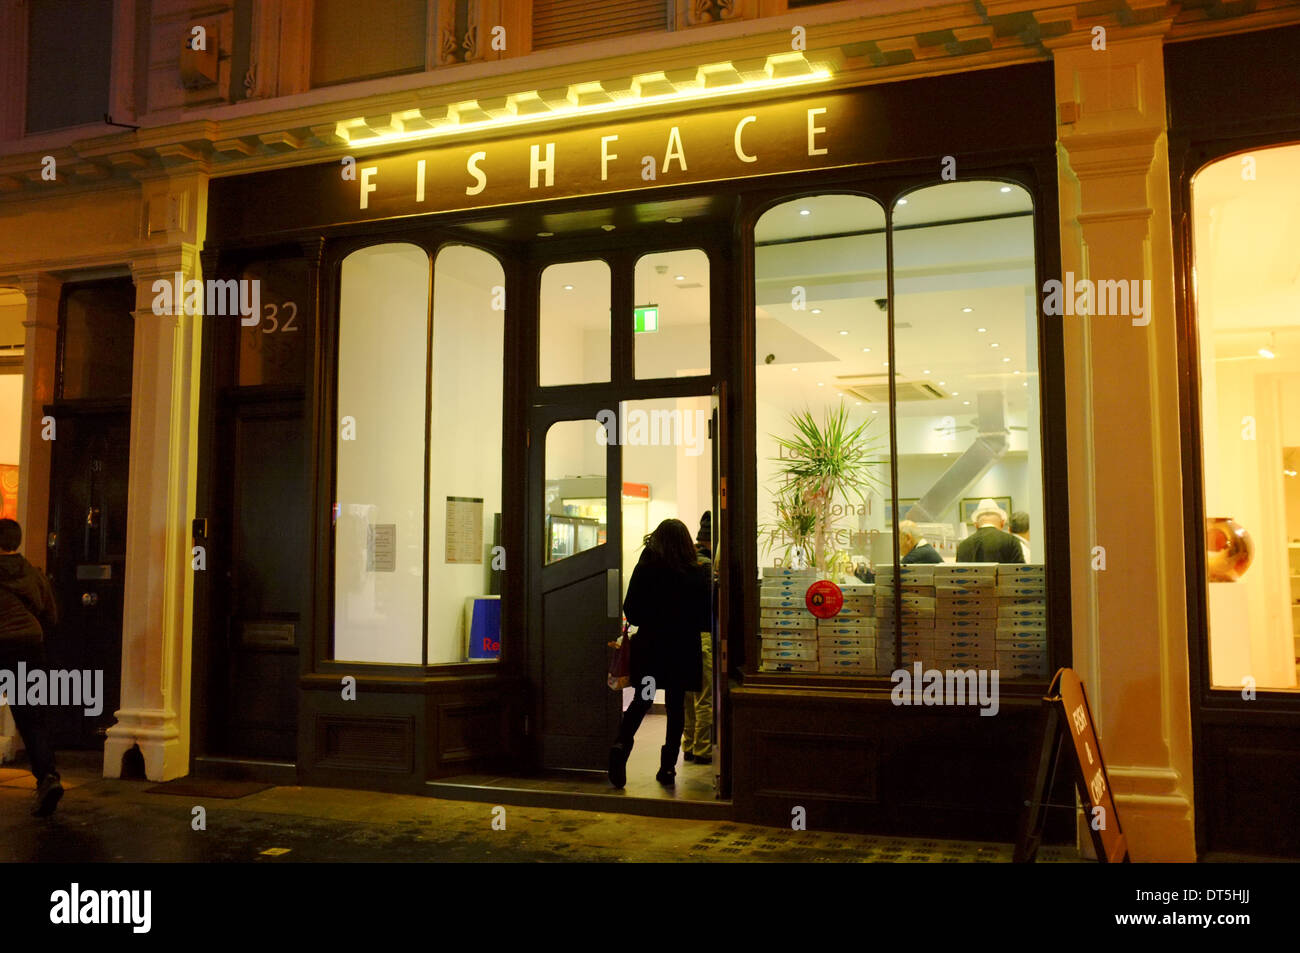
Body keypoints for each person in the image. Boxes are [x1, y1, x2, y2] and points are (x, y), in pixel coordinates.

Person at [609, 518, 710, 788]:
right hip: (682, 649)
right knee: (676, 708)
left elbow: (631, 610)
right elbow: (704, 619)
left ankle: (621, 745)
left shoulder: (646, 568)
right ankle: (667, 768)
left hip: (652, 647)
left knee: (642, 699)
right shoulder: (696, 573)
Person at [0, 518, 63, 816]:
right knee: (31, 716)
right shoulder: (33, 573)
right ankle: (48, 777)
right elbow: (50, 615)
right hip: (29, 644)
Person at [682, 512, 714, 766]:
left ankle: (688, 745)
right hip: (704, 635)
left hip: (682, 636)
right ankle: (703, 750)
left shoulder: (684, 562)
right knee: (704, 697)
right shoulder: (706, 568)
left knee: (688, 697)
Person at [955, 499, 1025, 564]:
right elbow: (1020, 574)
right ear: (1002, 523)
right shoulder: (1012, 542)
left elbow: (958, 575)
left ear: (976, 525)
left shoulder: (962, 546)